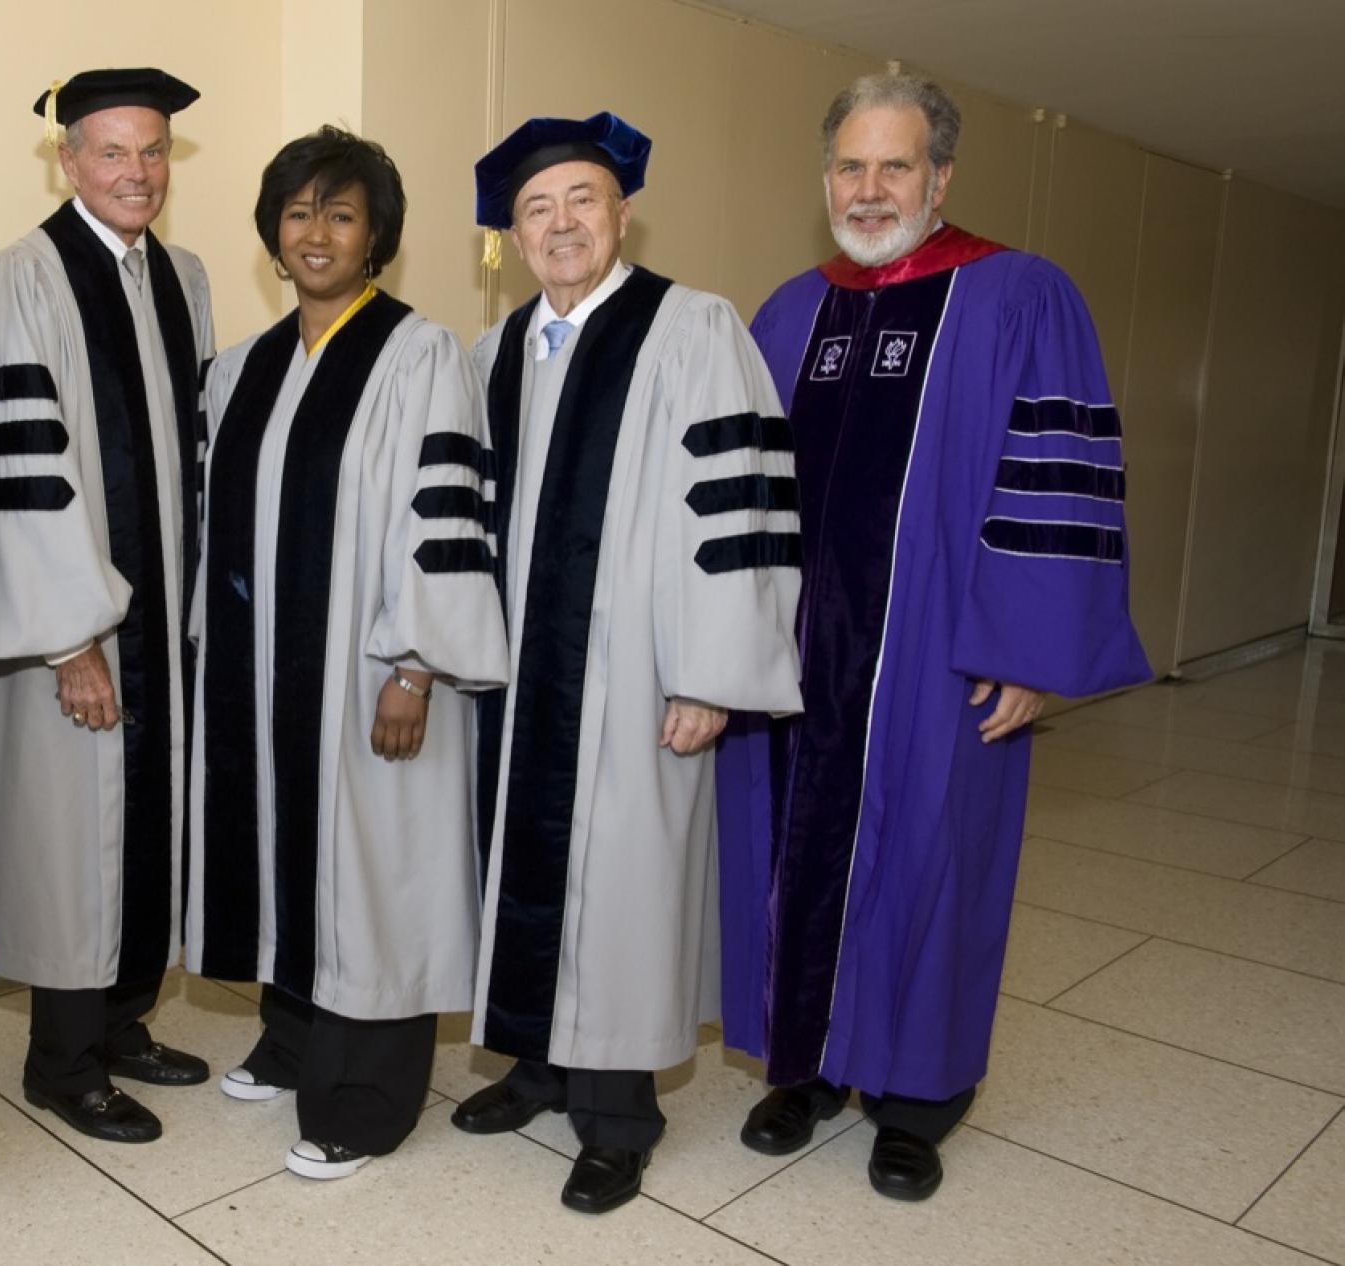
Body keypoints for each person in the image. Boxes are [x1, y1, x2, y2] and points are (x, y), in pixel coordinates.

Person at [718, 72, 1150, 1201]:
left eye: (894, 166)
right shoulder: (787, 312)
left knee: (935, 864)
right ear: (825, 182)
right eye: (850, 168)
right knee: (788, 860)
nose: (870, 190)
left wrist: (1027, 646)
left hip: (937, 658)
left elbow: (1058, 479)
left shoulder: (1017, 297)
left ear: (940, 176)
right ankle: (805, 1069)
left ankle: (920, 1100)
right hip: (796, 663)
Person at [444, 111, 807, 1216]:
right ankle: (537, 1064)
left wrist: (710, 671)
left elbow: (738, 508)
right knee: (525, 867)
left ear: (623, 213)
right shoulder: (496, 350)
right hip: (521, 683)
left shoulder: (693, 329)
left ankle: (617, 1114)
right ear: (511, 232)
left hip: (637, 677)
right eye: (538, 208)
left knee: (625, 890)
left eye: (582, 201)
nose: (562, 225)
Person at [189, 126, 509, 1181]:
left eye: (341, 213)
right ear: (272, 235)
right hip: (265, 675)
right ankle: (290, 1038)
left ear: (378, 236)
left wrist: (415, 664)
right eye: (298, 212)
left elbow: (444, 519)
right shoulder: (241, 368)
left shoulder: (422, 355)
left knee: (376, 877)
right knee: (285, 853)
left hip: (374, 677)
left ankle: (367, 1100)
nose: (316, 232)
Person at [0, 68, 215, 1144]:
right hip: (75, 632)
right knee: (70, 839)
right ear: (66, 161)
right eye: (111, 151)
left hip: (163, 616)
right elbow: (19, 476)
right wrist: (70, 640)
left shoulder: (184, 277)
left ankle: (123, 1022)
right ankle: (62, 1058)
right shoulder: (15, 279)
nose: (136, 171)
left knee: (148, 823)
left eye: (152, 151)